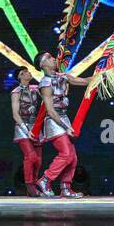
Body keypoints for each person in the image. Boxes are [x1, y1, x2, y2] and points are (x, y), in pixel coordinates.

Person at [34, 52, 90, 198]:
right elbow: (50, 110)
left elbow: (84, 81)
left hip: (64, 118)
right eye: (50, 58)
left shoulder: (63, 77)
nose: (54, 59)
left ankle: (66, 187)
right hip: (53, 121)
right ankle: (45, 180)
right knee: (65, 153)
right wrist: (66, 127)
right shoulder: (45, 83)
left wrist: (101, 75)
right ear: (42, 65)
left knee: (73, 157)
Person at [11, 67, 43, 196]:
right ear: (20, 75)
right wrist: (25, 129)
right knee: (31, 157)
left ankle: (35, 184)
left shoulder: (36, 89)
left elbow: (49, 96)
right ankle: (29, 185)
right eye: (26, 72)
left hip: (35, 126)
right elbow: (15, 114)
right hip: (22, 127)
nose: (30, 73)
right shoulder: (16, 92)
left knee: (39, 160)